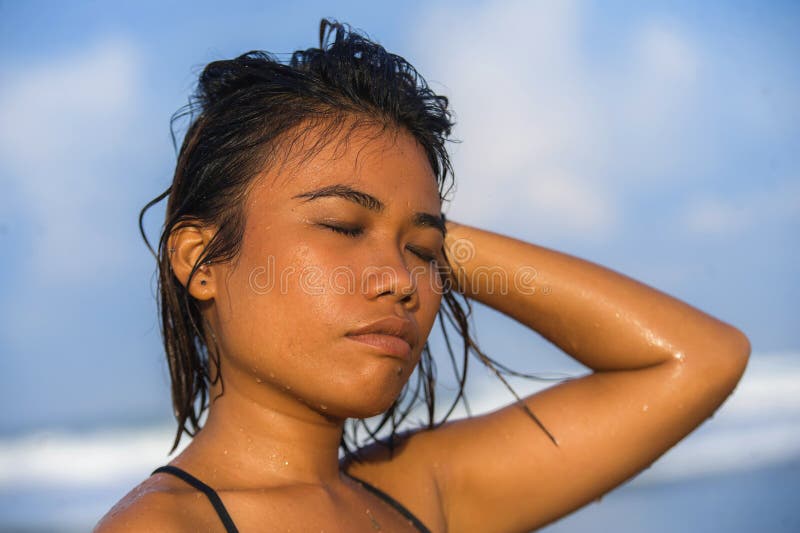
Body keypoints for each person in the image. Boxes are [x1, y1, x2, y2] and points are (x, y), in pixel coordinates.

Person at [95, 18, 750, 533]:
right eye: (344, 227)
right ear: (201, 262)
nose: (403, 281)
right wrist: (411, 231)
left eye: (422, 255)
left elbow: (701, 358)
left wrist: (428, 236)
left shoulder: (419, 492)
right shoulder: (165, 525)